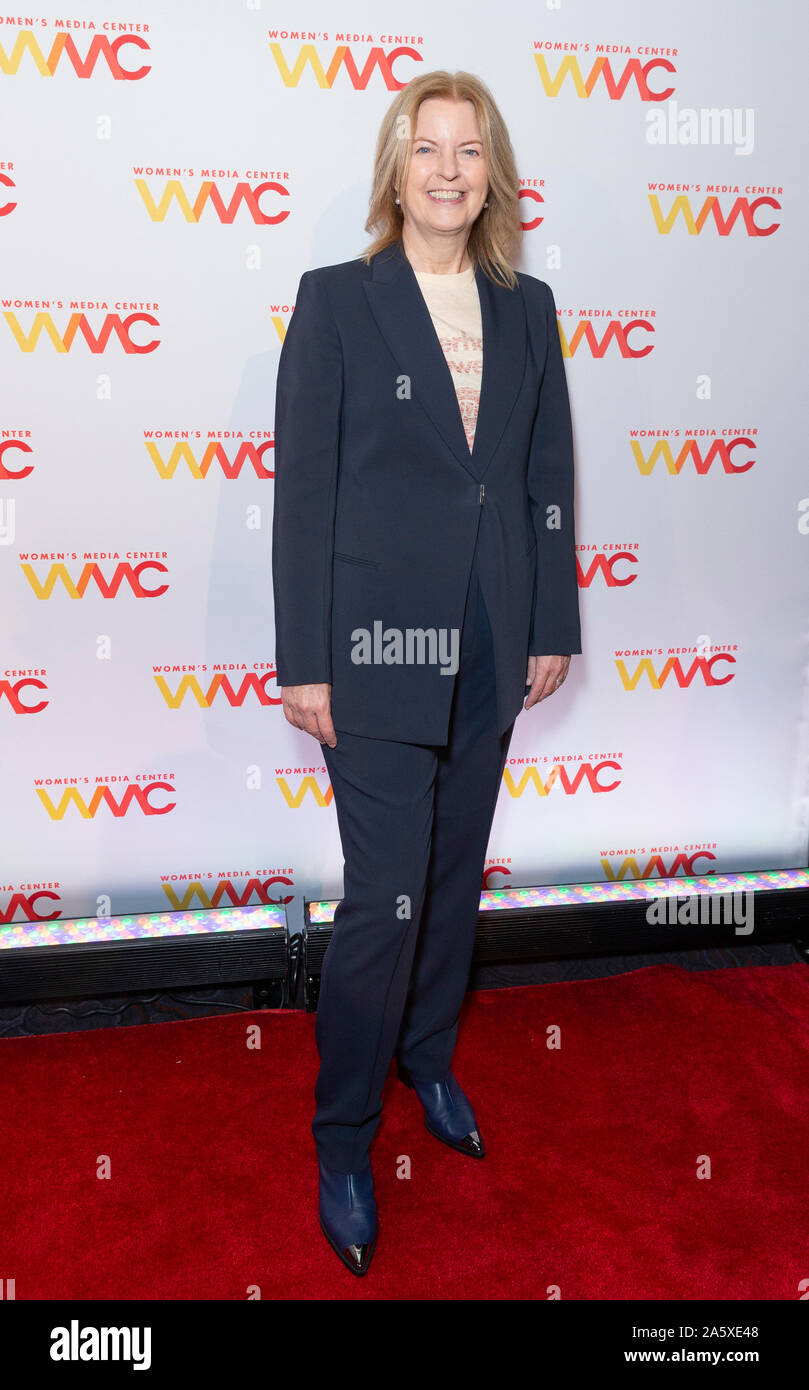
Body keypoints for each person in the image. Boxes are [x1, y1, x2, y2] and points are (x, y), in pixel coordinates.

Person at [271, 70, 582, 1276]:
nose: (447, 170)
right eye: (425, 149)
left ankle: (429, 1061)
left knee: (451, 882)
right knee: (380, 897)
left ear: (490, 172)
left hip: (494, 636)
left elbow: (542, 478)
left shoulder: (528, 303)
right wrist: (307, 660)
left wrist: (550, 617)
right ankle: (343, 1134)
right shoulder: (338, 301)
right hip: (373, 649)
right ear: (394, 172)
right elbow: (305, 491)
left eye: (468, 150)